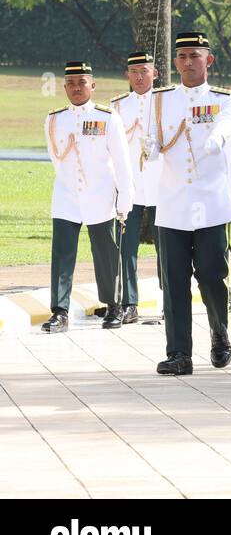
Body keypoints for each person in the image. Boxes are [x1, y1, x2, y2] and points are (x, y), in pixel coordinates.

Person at [141, 32, 231, 374]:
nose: (187, 62)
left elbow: (228, 124)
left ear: (208, 60)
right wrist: (149, 148)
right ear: (174, 62)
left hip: (210, 202)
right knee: (173, 280)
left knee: (213, 275)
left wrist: (217, 136)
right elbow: (152, 138)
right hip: (172, 205)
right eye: (182, 56)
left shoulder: (224, 99)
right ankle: (179, 353)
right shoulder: (160, 99)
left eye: (194, 55)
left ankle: (219, 332)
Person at [43, 61, 134, 333]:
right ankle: (59, 312)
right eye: (71, 83)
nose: (76, 88)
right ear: (65, 87)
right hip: (67, 196)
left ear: (92, 85)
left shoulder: (107, 117)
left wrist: (125, 197)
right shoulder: (55, 118)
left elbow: (121, 160)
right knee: (62, 254)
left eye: (81, 82)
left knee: (106, 254)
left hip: (100, 196)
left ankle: (113, 305)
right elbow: (54, 157)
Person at [110, 50, 161, 326]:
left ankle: (170, 301)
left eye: (145, 71)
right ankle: (129, 303)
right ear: (127, 75)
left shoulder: (166, 101)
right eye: (134, 72)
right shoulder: (117, 106)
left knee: (166, 249)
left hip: (161, 185)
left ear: (155, 73)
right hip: (129, 187)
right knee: (125, 248)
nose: (140, 77)